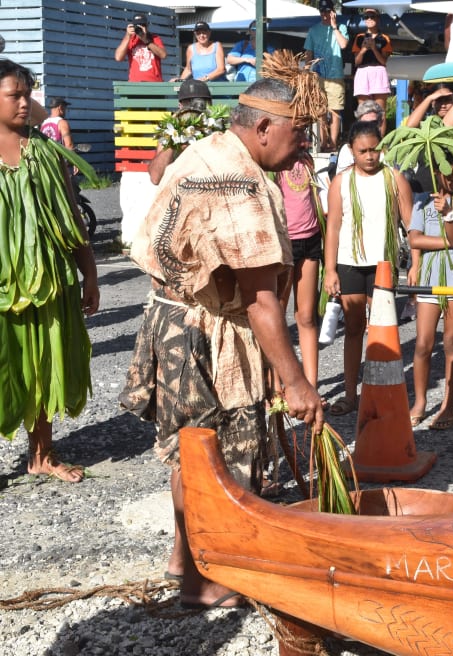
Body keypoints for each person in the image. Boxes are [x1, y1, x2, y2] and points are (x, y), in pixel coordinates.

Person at [119, 75, 327, 608]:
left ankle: (184, 557)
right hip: (205, 333)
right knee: (215, 456)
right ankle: (205, 580)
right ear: (264, 127)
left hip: (172, 316)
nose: (305, 142)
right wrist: (296, 381)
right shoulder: (240, 185)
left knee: (190, 451)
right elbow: (260, 303)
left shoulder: (206, 150)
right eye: (300, 131)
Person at [0, 59, 99, 481]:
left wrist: (90, 273)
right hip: (3, 287)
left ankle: (42, 454)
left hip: (49, 280)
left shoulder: (45, 151)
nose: (25, 103)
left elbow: (71, 217)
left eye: (28, 94)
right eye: (15, 95)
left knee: (43, 365)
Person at [324, 121, 413, 415]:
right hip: (349, 262)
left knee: (381, 329)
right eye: (362, 151)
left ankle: (382, 393)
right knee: (353, 328)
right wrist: (330, 269)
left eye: (374, 149)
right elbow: (333, 227)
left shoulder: (394, 178)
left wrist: (416, 262)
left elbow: (410, 223)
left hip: (382, 264)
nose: (370, 156)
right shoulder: (341, 181)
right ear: (351, 150)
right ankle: (351, 395)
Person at [407, 158, 453, 431]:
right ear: (437, 172)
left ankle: (448, 405)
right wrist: (450, 244)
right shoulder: (422, 201)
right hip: (429, 277)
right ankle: (420, 402)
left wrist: (449, 215)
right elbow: (415, 239)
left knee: (451, 341)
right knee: (423, 344)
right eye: (448, 171)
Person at [277, 153, 325, 389]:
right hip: (284, 242)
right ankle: (276, 386)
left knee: (306, 316)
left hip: (311, 239)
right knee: (277, 315)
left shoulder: (307, 161)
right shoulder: (275, 164)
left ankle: (311, 385)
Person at [304, 0, 350, 151]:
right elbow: (309, 53)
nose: (324, 14)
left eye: (327, 11)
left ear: (332, 12)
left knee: (335, 111)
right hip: (318, 76)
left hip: (335, 75)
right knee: (321, 111)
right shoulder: (313, 30)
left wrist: (334, 27)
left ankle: (333, 143)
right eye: (322, 11)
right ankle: (324, 143)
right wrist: (308, 72)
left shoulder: (341, 27)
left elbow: (343, 45)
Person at [147, 79, 212, 185]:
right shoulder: (170, 131)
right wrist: (174, 138)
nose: (195, 108)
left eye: (202, 102)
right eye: (189, 103)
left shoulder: (216, 129)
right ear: (180, 106)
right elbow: (156, 177)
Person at [351, 8, 393, 119]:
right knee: (363, 111)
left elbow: (384, 61)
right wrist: (363, 50)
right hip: (362, 72)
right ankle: (364, 130)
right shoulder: (359, 37)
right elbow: (356, 62)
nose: (369, 19)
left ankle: (380, 131)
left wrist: (374, 48)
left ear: (378, 19)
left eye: (372, 16)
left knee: (380, 112)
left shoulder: (384, 38)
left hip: (379, 71)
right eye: (366, 17)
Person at [334, 99, 383, 174]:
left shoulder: (389, 148)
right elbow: (342, 176)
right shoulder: (347, 149)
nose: (369, 127)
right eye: (364, 123)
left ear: (380, 123)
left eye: (373, 123)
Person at [114, 13, 167, 82]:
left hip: (154, 82)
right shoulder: (130, 39)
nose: (140, 27)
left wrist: (146, 40)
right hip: (135, 82)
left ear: (147, 26)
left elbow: (163, 55)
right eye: (137, 25)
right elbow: (118, 57)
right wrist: (127, 35)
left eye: (142, 25)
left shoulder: (154, 38)